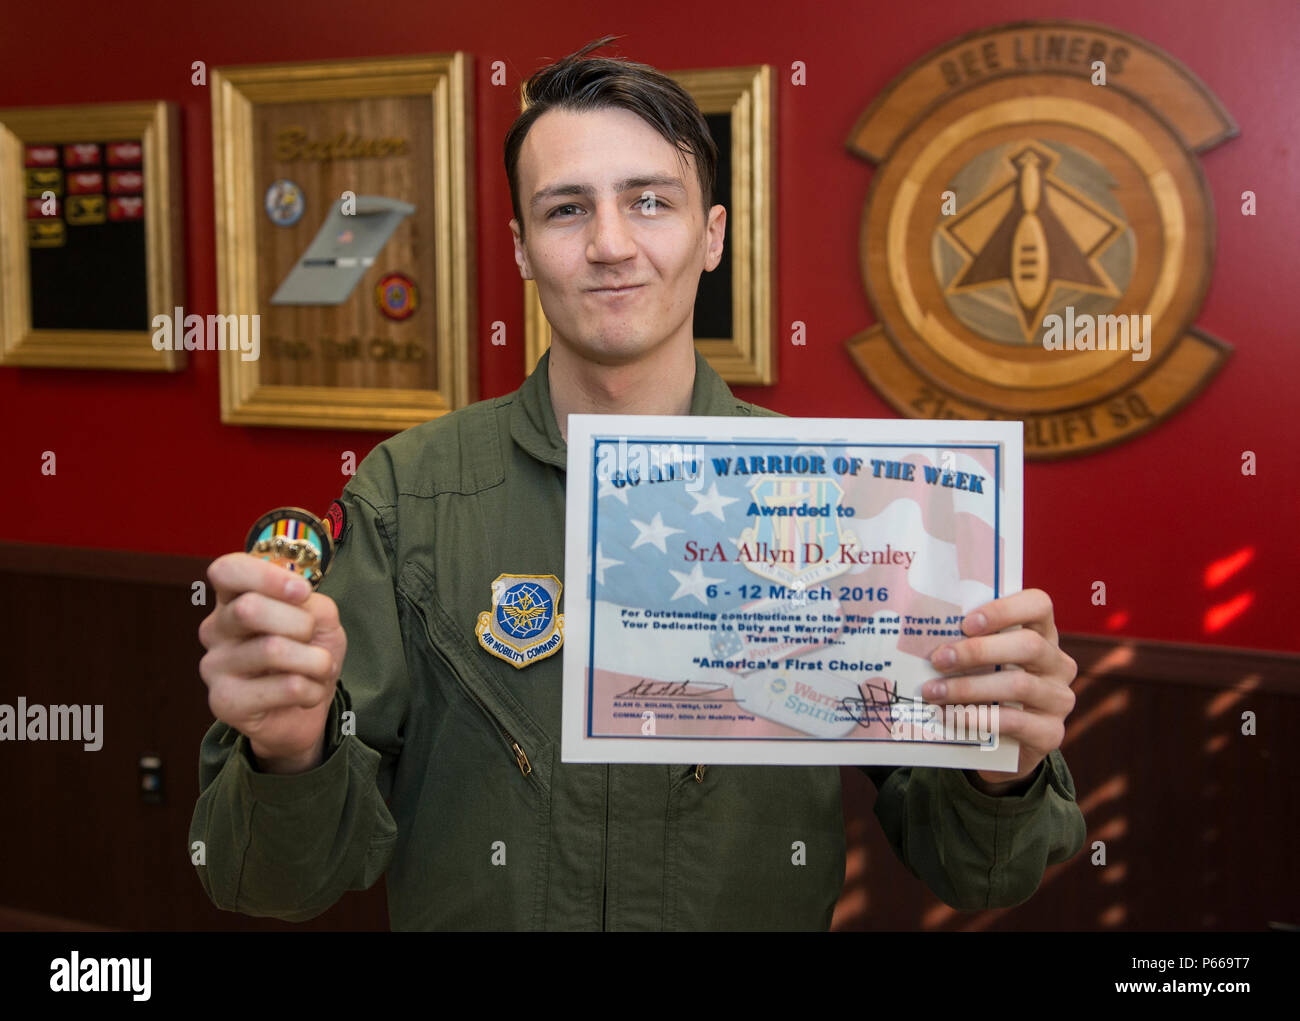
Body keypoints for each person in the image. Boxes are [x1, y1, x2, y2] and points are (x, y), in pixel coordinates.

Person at [191, 36, 1086, 930]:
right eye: (567, 209)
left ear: (713, 235)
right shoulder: (408, 495)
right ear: (523, 249)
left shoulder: (848, 497)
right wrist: (291, 747)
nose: (611, 244)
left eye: (650, 201)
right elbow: (273, 881)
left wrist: (999, 763)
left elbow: (981, 875)